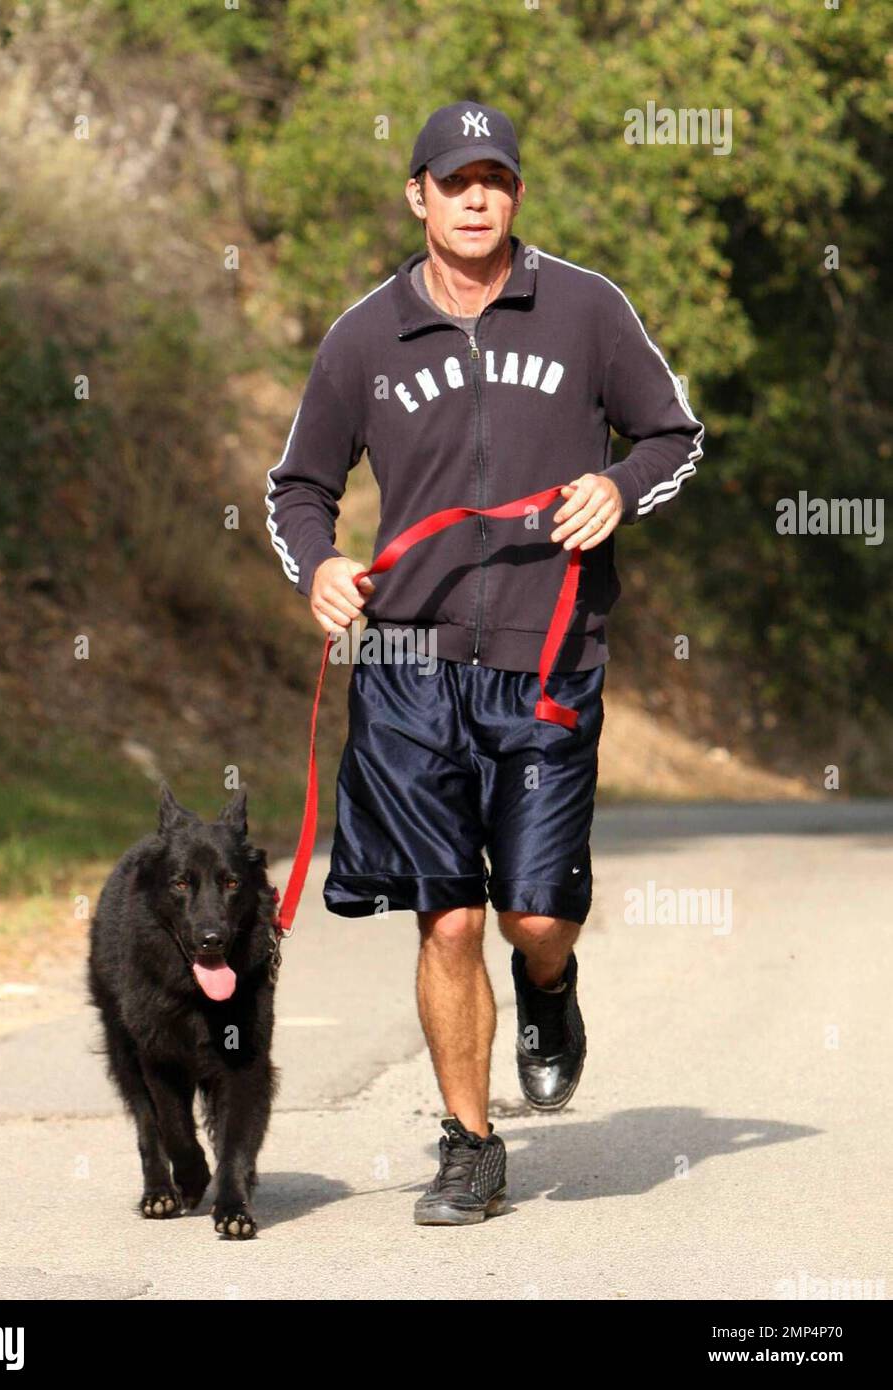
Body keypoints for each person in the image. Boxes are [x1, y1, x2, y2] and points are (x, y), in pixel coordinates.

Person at [265, 100, 704, 1225]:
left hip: (549, 655)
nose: (476, 199)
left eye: (495, 180)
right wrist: (319, 565)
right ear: (417, 194)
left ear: (516, 193)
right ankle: (469, 1142)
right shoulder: (365, 336)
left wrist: (620, 485)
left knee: (532, 918)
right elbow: (299, 486)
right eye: (455, 181)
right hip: (408, 665)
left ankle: (548, 988)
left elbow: (675, 435)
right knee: (448, 916)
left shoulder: (587, 309)